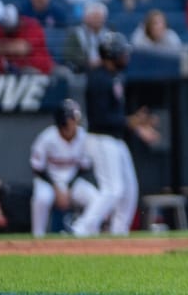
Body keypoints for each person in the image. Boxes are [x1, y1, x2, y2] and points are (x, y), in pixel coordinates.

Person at [71, 33, 158, 236]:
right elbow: (100, 118)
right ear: (111, 54)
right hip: (101, 138)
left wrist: (137, 124)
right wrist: (131, 122)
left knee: (129, 189)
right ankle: (81, 228)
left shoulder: (114, 77)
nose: (125, 57)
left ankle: (119, 231)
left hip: (115, 139)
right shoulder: (98, 79)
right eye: (121, 53)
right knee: (112, 189)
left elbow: (117, 115)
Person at [29, 99, 98, 237]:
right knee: (42, 198)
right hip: (49, 181)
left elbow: (84, 167)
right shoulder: (47, 137)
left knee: (94, 198)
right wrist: (57, 188)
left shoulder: (83, 136)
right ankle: (37, 237)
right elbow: (37, 168)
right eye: (72, 118)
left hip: (72, 181)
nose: (76, 121)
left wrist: (68, 188)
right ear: (63, 121)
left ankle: (82, 231)